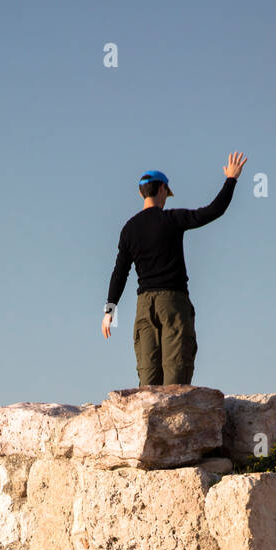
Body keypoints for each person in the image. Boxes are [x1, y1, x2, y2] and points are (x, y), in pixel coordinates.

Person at [102, 151, 248, 387]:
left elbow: (120, 272)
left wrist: (109, 310)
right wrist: (231, 179)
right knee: (176, 380)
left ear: (142, 193)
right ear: (161, 190)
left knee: (148, 383)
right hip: (173, 304)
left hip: (144, 308)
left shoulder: (129, 229)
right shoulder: (172, 219)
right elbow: (213, 211)